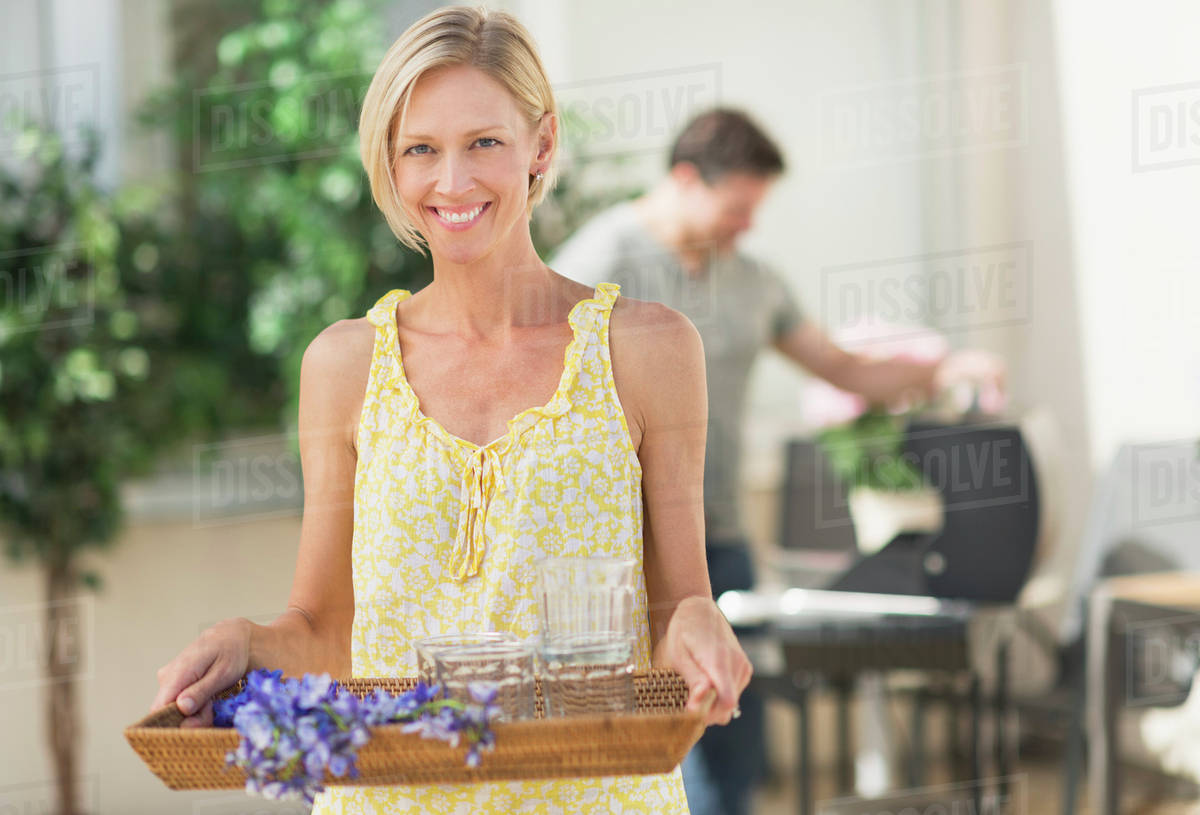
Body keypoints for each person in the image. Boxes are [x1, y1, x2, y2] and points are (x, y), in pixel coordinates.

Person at [150, 8, 750, 813]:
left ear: (540, 145)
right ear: (391, 167)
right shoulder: (344, 365)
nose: (453, 181)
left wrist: (702, 627)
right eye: (420, 150)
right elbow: (327, 628)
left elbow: (675, 605)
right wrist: (251, 641)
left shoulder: (648, 349)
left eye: (485, 143)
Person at [550, 108, 1006, 815]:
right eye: (736, 208)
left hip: (722, 541)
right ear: (684, 179)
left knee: (737, 742)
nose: (747, 225)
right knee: (670, 753)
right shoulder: (600, 261)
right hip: (621, 552)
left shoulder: (756, 280)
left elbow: (843, 368)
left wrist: (945, 367)